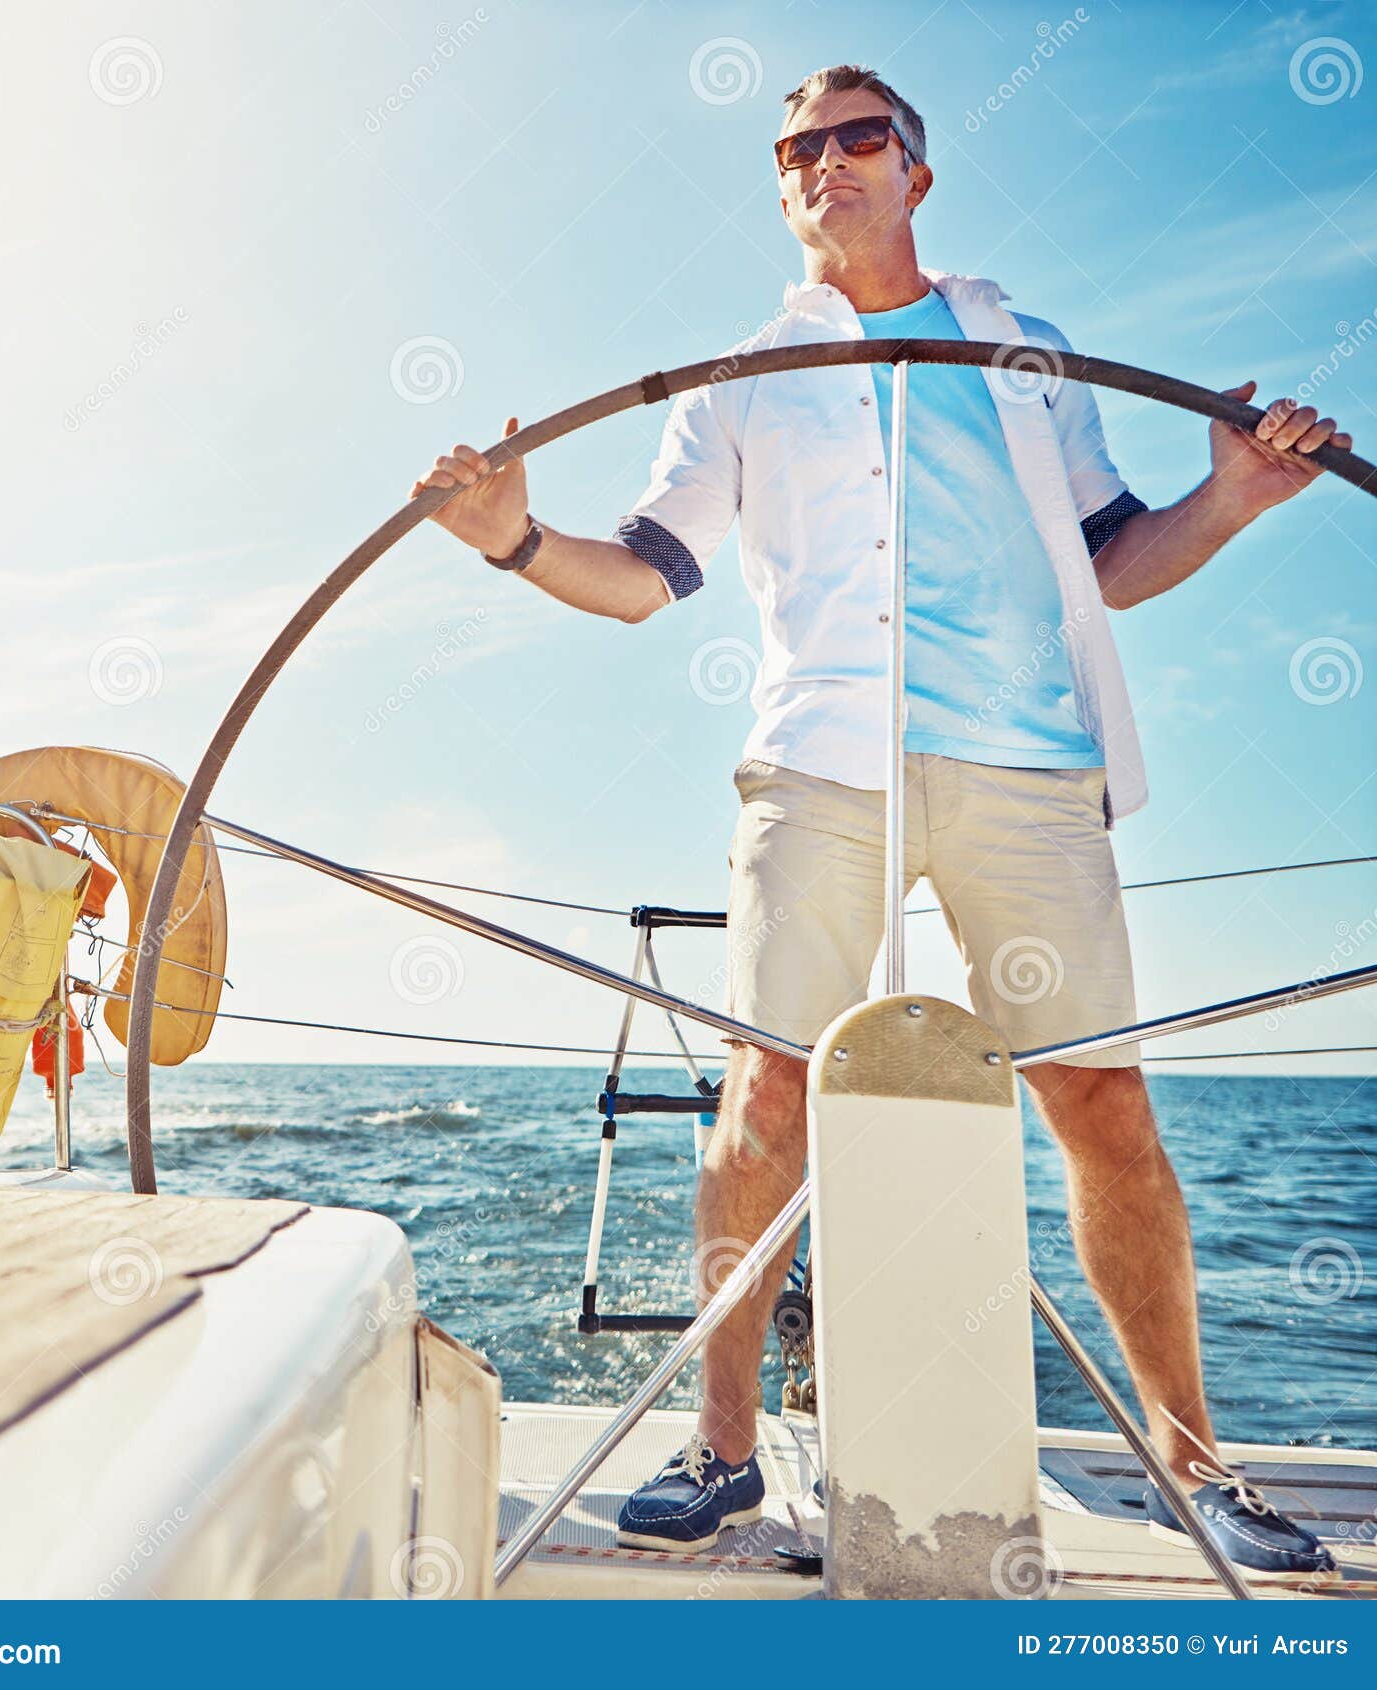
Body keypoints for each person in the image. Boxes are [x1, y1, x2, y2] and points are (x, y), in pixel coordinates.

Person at [410, 62, 1352, 1582]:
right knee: (765, 1092)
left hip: (1025, 761)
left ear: (917, 172)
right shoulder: (740, 370)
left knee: (1102, 1105)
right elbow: (647, 572)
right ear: (783, 183)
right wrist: (513, 537)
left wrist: (1234, 497)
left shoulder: (1023, 346)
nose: (825, 163)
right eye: (798, 147)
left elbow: (1116, 554)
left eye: (860, 138)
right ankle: (722, 1455)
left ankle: (1202, 1466)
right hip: (819, 760)